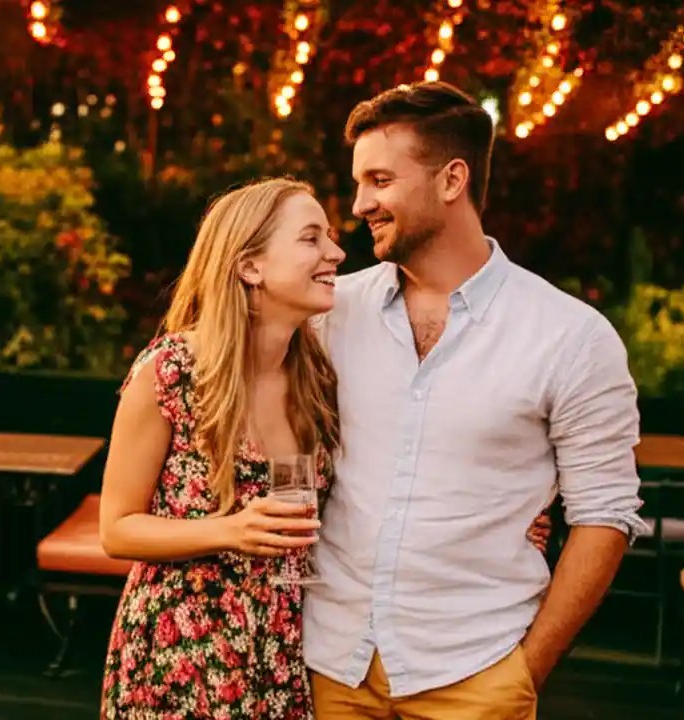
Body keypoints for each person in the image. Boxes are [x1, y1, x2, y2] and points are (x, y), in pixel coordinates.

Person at [97, 177, 553, 718]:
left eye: (331, 237)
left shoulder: (316, 373)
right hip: (183, 646)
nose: (337, 252)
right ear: (250, 266)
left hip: (286, 646)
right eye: (311, 238)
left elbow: (402, 454)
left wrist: (511, 516)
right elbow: (117, 527)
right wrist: (231, 530)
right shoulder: (170, 372)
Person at [304, 80, 649, 720]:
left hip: (475, 672)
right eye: (358, 183)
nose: (359, 205)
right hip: (330, 664)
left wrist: (525, 671)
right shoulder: (329, 314)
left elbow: (605, 517)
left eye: (379, 180)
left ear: (452, 179)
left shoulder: (570, 337)